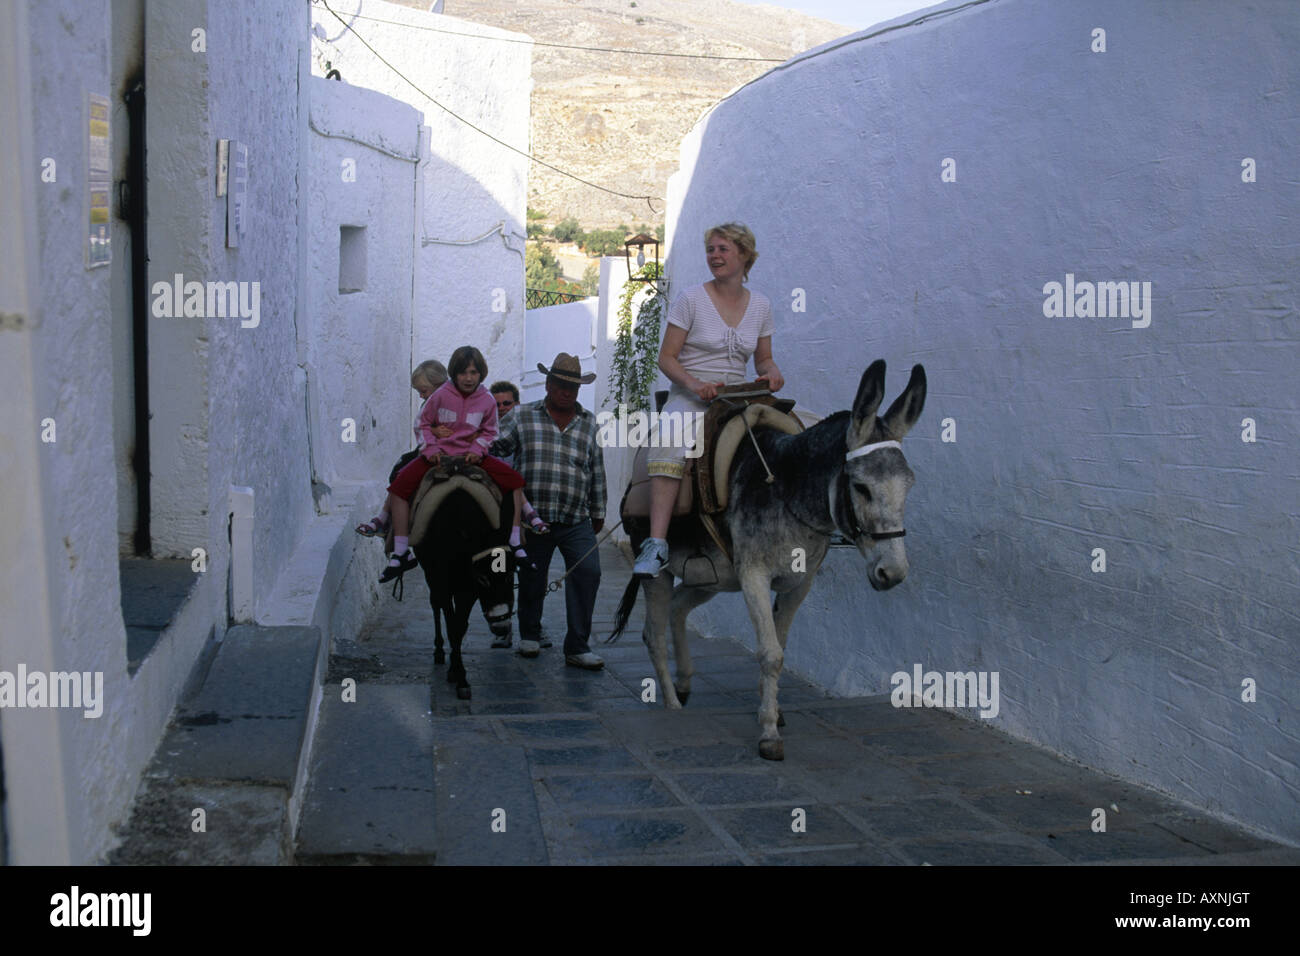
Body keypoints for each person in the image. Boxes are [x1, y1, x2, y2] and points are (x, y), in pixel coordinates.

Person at [632, 222, 785, 578]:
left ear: (744, 255)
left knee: (800, 429)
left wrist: (772, 371)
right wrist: (693, 383)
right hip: (692, 398)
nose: (714, 256)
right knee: (668, 443)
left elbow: (762, 358)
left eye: (723, 249)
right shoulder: (691, 299)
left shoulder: (761, 306)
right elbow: (666, 357)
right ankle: (656, 544)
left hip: (739, 399)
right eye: (711, 250)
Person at [492, 353, 607, 669]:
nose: (566, 391)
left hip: (575, 517)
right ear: (548, 383)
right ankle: (529, 635)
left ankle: (578, 646)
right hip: (533, 517)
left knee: (588, 572)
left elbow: (596, 471)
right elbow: (493, 446)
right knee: (532, 576)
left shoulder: (588, 423)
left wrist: (598, 512)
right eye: (560, 384)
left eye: (572, 386)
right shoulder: (522, 416)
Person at [383, 345, 528, 582]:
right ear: (453, 374)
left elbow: (490, 431)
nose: (468, 378)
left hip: (473, 457)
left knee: (515, 481)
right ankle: (400, 550)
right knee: (399, 486)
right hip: (440, 456)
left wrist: (477, 449)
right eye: (463, 373)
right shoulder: (440, 395)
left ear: (481, 373)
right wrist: (430, 449)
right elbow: (422, 423)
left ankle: (514, 539)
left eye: (473, 372)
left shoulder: (487, 400)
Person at [355, 359, 452, 547]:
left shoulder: (441, 398)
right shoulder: (449, 397)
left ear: (439, 383)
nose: (423, 396)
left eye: (424, 391)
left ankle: (386, 521)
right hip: (442, 447)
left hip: (441, 451)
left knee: (400, 474)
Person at [490, 380, 549, 535]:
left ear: (517, 404)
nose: (501, 408)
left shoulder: (527, 432)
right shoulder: (488, 433)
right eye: (496, 405)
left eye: (506, 403)